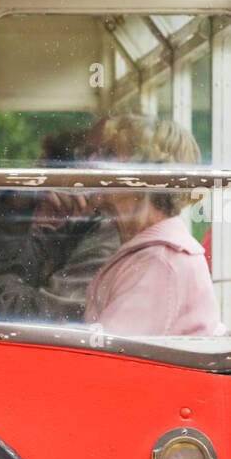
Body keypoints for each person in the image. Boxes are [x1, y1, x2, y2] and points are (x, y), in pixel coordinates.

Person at [83, 114, 222, 336]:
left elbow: (106, 355)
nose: (91, 162)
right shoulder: (150, 252)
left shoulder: (159, 261)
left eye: (110, 154)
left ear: (146, 177)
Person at [0, 127, 120, 323]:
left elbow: (24, 312)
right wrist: (17, 203)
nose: (93, 163)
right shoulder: (84, 227)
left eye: (105, 154)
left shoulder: (110, 236)